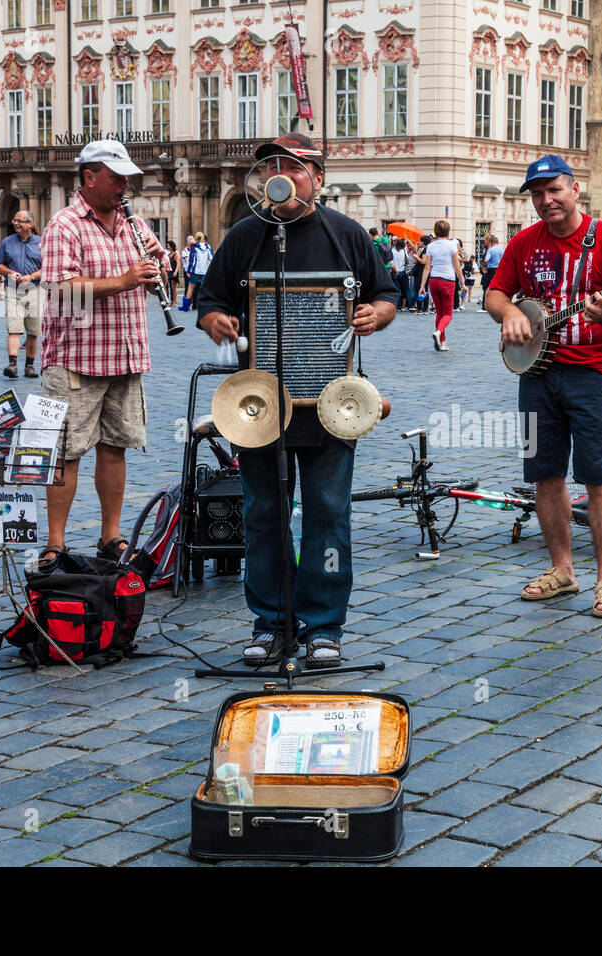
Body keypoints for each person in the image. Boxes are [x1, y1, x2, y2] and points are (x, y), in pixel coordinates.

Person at [197, 132, 398, 667]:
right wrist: (215, 319)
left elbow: (387, 295)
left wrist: (377, 314)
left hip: (331, 404)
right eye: (271, 166)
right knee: (264, 512)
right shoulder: (244, 235)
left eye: (293, 165)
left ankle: (324, 625)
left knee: (328, 513)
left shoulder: (347, 234)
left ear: (318, 176)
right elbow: (209, 299)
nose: (279, 174)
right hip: (259, 406)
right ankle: (271, 622)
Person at [485, 154, 602, 620]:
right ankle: (562, 570)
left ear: (575, 189)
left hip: (593, 372)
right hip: (536, 374)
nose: (545, 200)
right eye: (537, 194)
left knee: (599, 476)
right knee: (544, 475)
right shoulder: (523, 243)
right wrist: (510, 313)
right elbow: (496, 293)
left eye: (553, 190)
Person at [38, 140, 164, 569]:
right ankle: (55, 542)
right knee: (67, 450)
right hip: (76, 357)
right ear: (89, 177)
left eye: (127, 178)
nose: (124, 186)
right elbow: (62, 287)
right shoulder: (65, 225)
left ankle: (111, 536)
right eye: (116, 178)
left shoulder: (134, 223)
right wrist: (126, 279)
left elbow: (155, 267)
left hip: (126, 352)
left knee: (116, 447)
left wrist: (161, 270)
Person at [0, 209, 43, 379]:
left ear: (30, 224)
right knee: (14, 328)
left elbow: (49, 268)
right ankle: (12, 364)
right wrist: (9, 272)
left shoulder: (42, 243)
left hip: (36, 290)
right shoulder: (7, 242)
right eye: (14, 220)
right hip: (14, 290)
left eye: (20, 221)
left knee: (33, 330)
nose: (15, 223)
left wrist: (33, 276)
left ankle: (30, 366)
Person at [420, 220, 466, 351]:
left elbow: (427, 268)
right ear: (448, 231)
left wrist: (422, 285)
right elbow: (457, 266)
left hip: (434, 280)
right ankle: (439, 332)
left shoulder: (431, 246)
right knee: (448, 314)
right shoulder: (451, 245)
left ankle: (442, 342)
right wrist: (462, 281)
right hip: (448, 281)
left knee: (439, 313)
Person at [178, 235, 196, 310]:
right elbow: (187, 260)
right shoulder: (185, 251)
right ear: (188, 243)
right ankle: (186, 305)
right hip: (187, 272)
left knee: (195, 289)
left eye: (193, 243)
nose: (192, 245)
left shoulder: (195, 250)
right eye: (191, 244)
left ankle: (195, 304)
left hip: (195, 272)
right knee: (187, 288)